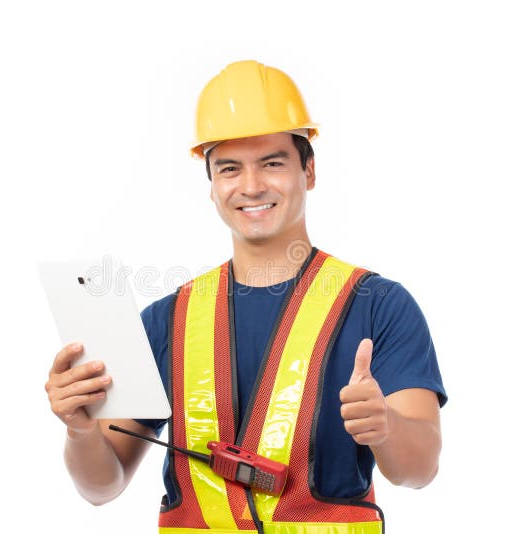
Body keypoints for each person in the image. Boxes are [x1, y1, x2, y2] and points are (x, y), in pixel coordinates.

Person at [45, 60, 447, 534]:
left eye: (272, 162)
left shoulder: (379, 305)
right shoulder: (165, 320)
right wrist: (79, 428)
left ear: (309, 170)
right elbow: (102, 487)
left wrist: (385, 428)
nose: (251, 186)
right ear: (212, 185)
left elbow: (418, 471)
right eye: (230, 168)